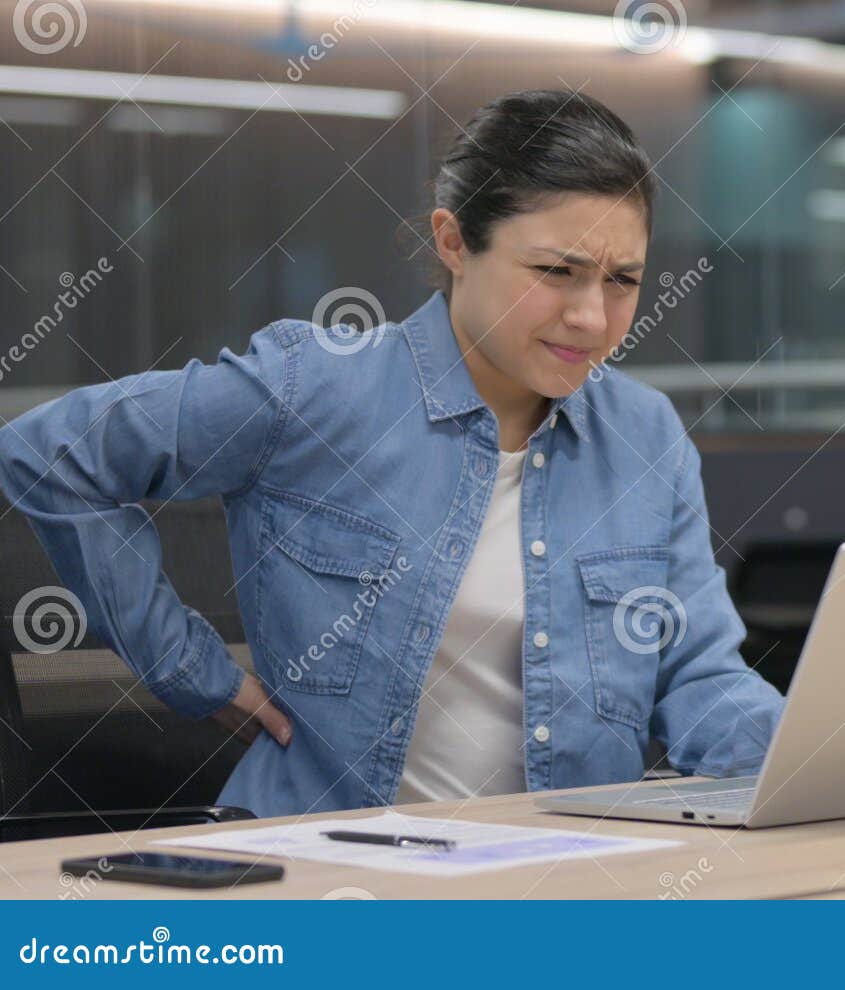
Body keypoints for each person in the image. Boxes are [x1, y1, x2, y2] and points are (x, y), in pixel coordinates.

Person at [0, 89, 784, 819]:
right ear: (454, 242)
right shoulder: (316, 390)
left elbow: (697, 675)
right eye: (556, 272)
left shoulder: (645, 435)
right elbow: (47, 454)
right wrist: (193, 674)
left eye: (623, 280)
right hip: (327, 871)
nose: (591, 316)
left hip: (565, 881)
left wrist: (824, 759)